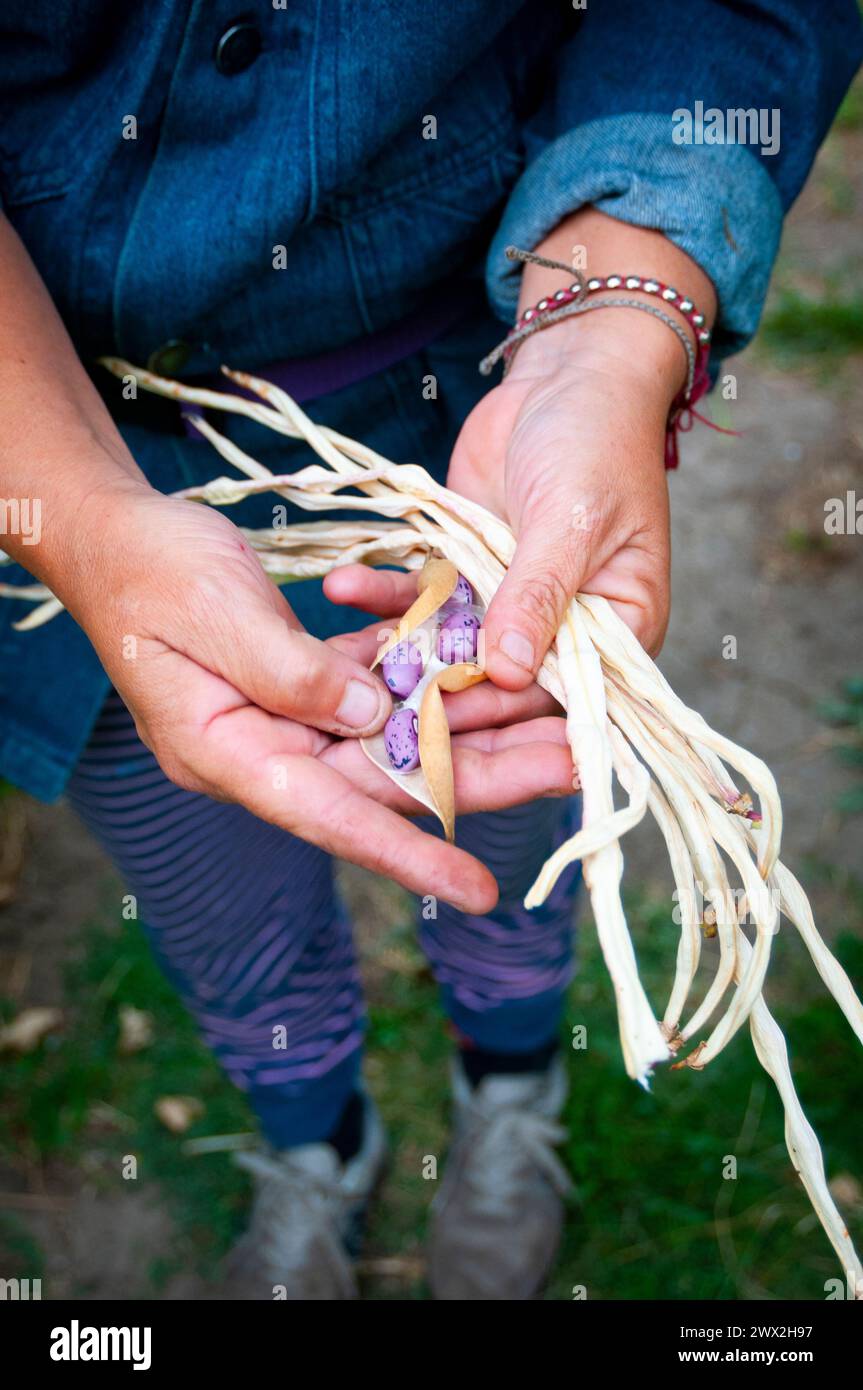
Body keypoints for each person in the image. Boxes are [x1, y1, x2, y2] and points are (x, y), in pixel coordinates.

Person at [0, 2, 859, 1301]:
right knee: (220, 908)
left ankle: (510, 1086)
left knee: (503, 854)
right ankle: (317, 1146)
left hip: (456, 437)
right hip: (59, 461)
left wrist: (609, 333)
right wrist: (74, 513)